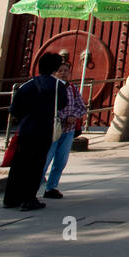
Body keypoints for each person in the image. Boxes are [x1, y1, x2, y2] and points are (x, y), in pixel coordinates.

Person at [3, 53, 70, 211]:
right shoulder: (57, 86)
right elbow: (61, 105)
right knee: (36, 165)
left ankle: (11, 198)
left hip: (26, 129)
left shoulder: (28, 85)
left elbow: (15, 109)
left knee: (19, 164)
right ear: (54, 68)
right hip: (44, 129)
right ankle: (29, 199)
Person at [41, 55, 87, 199]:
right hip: (54, 128)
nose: (63, 73)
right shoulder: (52, 86)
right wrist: (62, 118)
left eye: (66, 70)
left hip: (68, 130)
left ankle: (52, 187)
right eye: (60, 70)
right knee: (45, 159)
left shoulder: (72, 88)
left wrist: (74, 116)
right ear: (54, 72)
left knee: (61, 160)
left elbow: (82, 107)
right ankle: (33, 187)